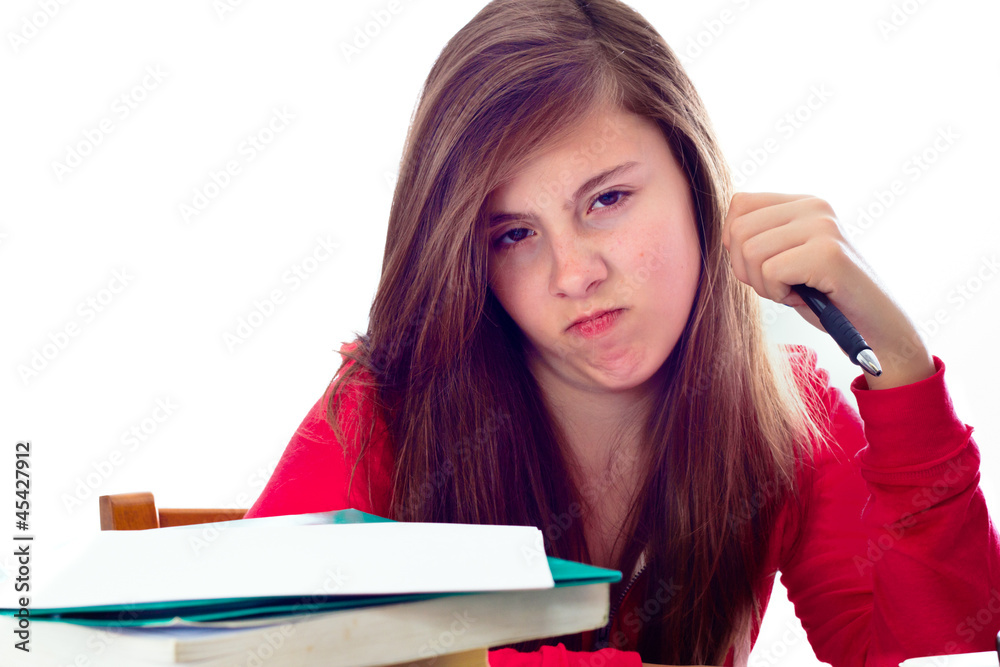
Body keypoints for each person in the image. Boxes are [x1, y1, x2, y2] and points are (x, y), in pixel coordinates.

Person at [243, 1, 1000, 665]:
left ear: (697, 181)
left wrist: (897, 358)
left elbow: (939, 644)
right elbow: (253, 649)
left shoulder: (789, 413)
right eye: (513, 235)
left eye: (606, 199)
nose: (573, 273)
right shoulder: (386, 411)